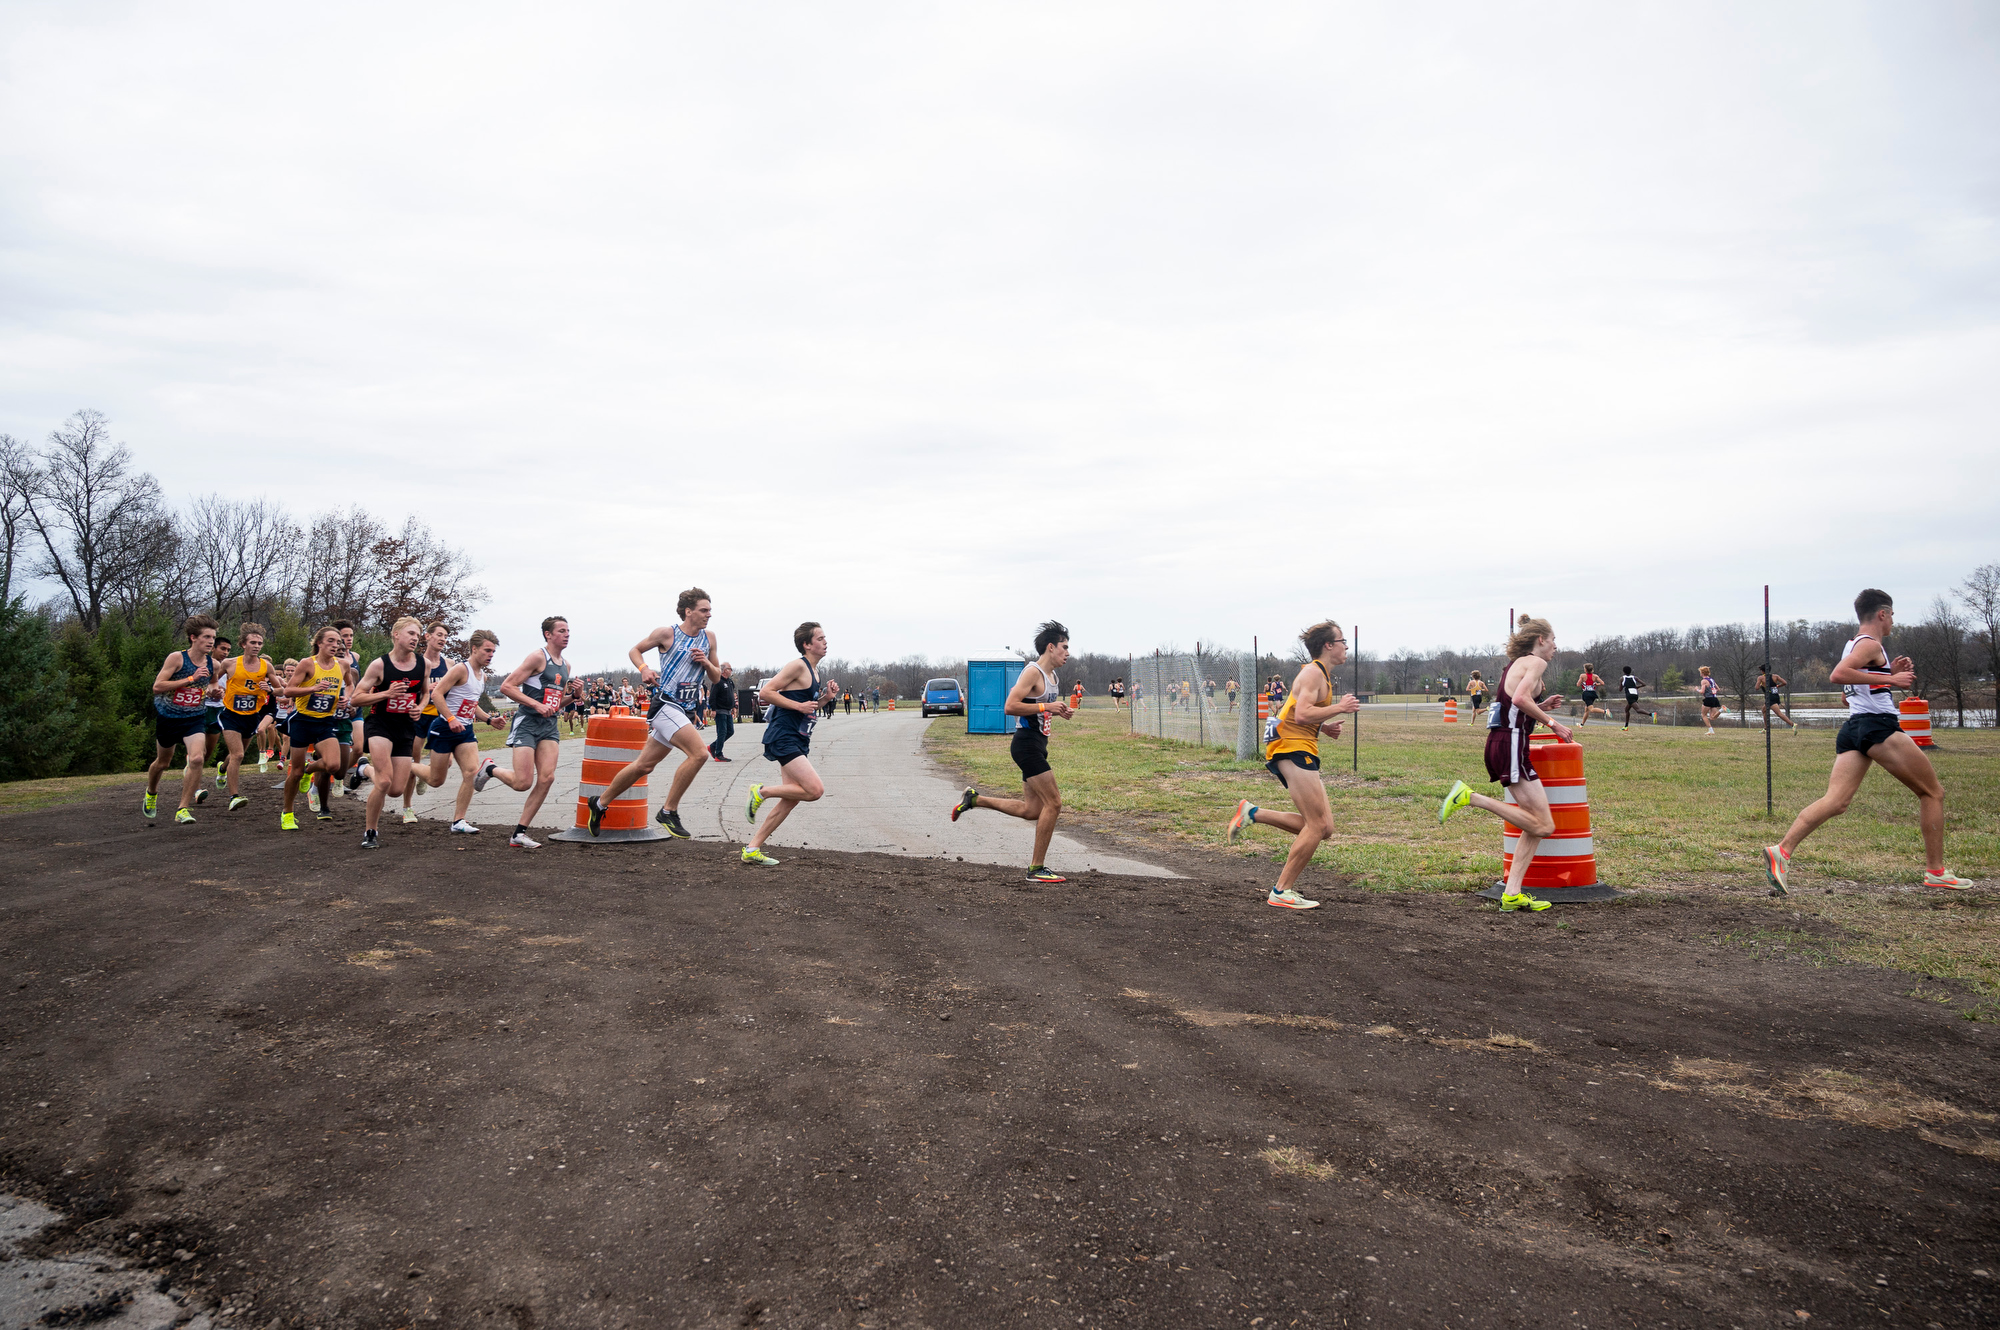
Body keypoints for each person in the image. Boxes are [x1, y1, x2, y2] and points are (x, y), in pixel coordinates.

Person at [1764, 589, 1971, 894]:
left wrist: (1887, 671)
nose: (1892, 622)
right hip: (1878, 728)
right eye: (1892, 616)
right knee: (1932, 793)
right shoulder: (1870, 643)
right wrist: (1891, 679)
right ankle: (1936, 872)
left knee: (1836, 802)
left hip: (1855, 728)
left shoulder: (1852, 645)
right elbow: (1839, 675)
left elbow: (1850, 696)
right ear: (1882, 614)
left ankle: (1780, 851)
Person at [1437, 615, 1573, 912]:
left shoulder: (1516, 664)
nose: (1555, 647)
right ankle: (1469, 797)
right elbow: (1522, 698)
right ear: (1541, 640)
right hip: (1510, 744)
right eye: (1553, 641)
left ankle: (1512, 893)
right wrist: (1553, 723)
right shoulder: (1536, 663)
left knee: (1537, 825)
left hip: (1506, 742)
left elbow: (1513, 702)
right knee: (1545, 826)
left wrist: (1542, 706)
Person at [1224, 620, 1361, 910]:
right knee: (1316, 824)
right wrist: (1340, 707)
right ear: (1329, 645)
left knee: (1325, 828)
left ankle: (1253, 813)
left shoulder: (1318, 674)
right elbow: (1301, 715)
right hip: (1291, 747)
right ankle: (1281, 890)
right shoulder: (1313, 673)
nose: (1346, 646)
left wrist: (1322, 727)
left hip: (1296, 743)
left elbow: (1292, 710)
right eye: (1342, 641)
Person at [587, 588, 720, 840]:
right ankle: (668, 811)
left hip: (686, 709)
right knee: (699, 754)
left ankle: (600, 803)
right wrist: (644, 668)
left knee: (644, 765)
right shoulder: (667, 633)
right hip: (666, 704)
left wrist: (706, 662)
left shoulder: (709, 638)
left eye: (710, 610)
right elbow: (635, 650)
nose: (709, 615)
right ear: (688, 611)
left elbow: (715, 677)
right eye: (704, 610)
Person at [949, 621, 1075, 884]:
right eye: (1064, 647)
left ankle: (975, 800)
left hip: (1038, 745)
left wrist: (1057, 711)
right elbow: (1010, 706)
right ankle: (1036, 868)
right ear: (1051, 647)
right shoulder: (1033, 672)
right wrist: (1046, 707)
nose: (1067, 652)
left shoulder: (1053, 677)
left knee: (1032, 810)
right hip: (1026, 745)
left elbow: (1040, 708)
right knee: (1054, 804)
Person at [477, 615, 573, 849]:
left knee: (548, 777)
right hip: (528, 722)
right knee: (522, 782)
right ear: (548, 635)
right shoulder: (538, 657)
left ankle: (519, 833)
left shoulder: (566, 665)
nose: (567, 634)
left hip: (548, 726)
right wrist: (535, 704)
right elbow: (506, 686)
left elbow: (556, 703)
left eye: (568, 631)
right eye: (561, 630)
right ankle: (490, 768)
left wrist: (575, 697)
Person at [742, 623, 832, 866]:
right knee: (815, 790)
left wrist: (825, 699)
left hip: (800, 736)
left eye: (825, 637)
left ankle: (752, 848)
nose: (826, 641)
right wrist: (799, 706)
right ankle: (761, 792)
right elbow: (766, 692)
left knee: (792, 798)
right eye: (820, 638)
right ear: (807, 644)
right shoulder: (797, 665)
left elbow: (808, 708)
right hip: (784, 735)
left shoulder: (815, 671)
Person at [347, 617, 428, 849]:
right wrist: (386, 694)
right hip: (380, 724)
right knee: (383, 782)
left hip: (405, 727)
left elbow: (425, 694)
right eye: (411, 633)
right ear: (396, 635)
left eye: (417, 634)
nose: (415, 638)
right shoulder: (379, 665)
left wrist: (419, 709)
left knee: (395, 790)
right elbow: (356, 698)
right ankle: (370, 831)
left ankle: (364, 769)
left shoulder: (423, 665)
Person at [424, 629, 508, 832]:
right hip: (444, 728)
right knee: (436, 780)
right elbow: (437, 694)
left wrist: (489, 719)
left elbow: (472, 704)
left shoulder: (482, 677)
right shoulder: (461, 670)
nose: (490, 655)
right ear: (474, 648)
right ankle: (409, 768)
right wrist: (451, 718)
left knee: (471, 772)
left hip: (465, 731)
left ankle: (458, 821)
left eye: (493, 652)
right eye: (487, 650)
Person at [145, 614, 220, 824]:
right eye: (206, 637)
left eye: (213, 637)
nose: (211, 641)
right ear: (193, 637)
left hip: (194, 717)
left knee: (197, 758)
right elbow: (158, 686)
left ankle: (183, 808)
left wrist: (215, 692)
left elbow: (213, 684)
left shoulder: (213, 663)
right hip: (168, 716)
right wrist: (190, 679)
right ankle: (151, 793)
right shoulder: (177, 658)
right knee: (163, 763)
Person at [278, 627, 354, 830]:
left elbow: (350, 684)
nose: (335, 645)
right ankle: (287, 813)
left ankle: (307, 771)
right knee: (294, 772)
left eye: (337, 642)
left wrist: (346, 699)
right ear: (319, 643)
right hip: (303, 721)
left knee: (333, 766)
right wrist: (312, 688)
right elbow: (288, 690)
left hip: (326, 721)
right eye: (330, 641)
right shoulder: (307, 664)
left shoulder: (343, 665)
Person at [214, 623, 278, 811]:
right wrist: (214, 690)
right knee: (238, 754)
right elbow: (211, 681)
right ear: (243, 644)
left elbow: (281, 689)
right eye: (253, 642)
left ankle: (222, 769)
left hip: (251, 715)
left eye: (260, 643)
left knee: (236, 753)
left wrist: (271, 689)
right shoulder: (230, 663)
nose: (257, 646)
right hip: (231, 714)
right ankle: (234, 796)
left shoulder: (266, 666)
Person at [399, 622, 452, 822]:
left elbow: (455, 690)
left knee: (446, 762)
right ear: (427, 637)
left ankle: (424, 775)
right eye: (439, 635)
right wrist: (426, 690)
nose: (443, 639)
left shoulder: (449, 664)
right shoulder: (416, 662)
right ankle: (407, 808)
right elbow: (406, 688)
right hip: (418, 715)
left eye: (445, 636)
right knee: (413, 761)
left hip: (439, 716)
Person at [708, 663, 738, 761]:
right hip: (720, 711)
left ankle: (713, 746)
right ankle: (718, 754)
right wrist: (713, 709)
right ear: (724, 670)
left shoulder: (729, 682)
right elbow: (712, 696)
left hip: (728, 711)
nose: (731, 671)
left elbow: (731, 695)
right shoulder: (718, 681)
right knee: (722, 732)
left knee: (730, 731)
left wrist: (733, 706)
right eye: (730, 669)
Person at [1697, 666, 1723, 735]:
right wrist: (1713, 691)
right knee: (1712, 717)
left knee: (1703, 715)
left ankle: (1711, 730)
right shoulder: (1712, 680)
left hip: (1708, 699)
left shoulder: (1703, 681)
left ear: (1702, 673)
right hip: (1714, 699)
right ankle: (1721, 710)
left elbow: (1702, 691)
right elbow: (1718, 689)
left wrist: (1697, 689)